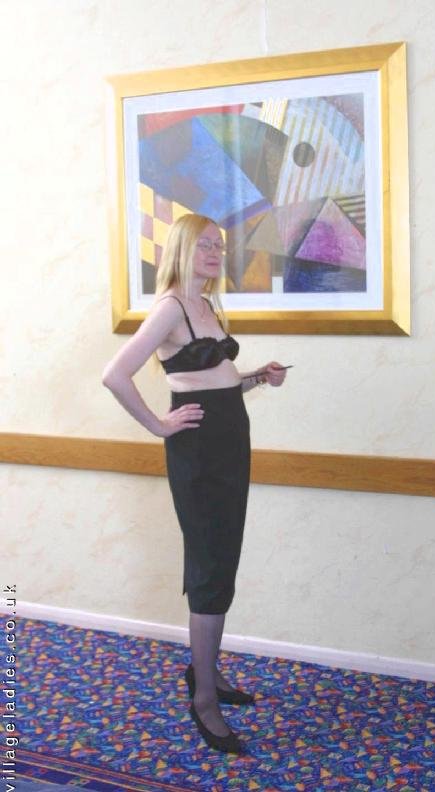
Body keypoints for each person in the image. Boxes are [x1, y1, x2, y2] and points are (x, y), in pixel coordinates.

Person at [102, 213, 288, 753]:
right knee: (209, 565)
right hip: (200, 454)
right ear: (182, 248)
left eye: (219, 245)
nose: (214, 252)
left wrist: (259, 377)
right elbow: (115, 375)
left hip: (230, 443)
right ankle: (204, 698)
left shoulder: (206, 304)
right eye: (204, 244)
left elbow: (216, 384)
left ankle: (207, 672)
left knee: (222, 559)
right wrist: (159, 425)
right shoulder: (170, 308)